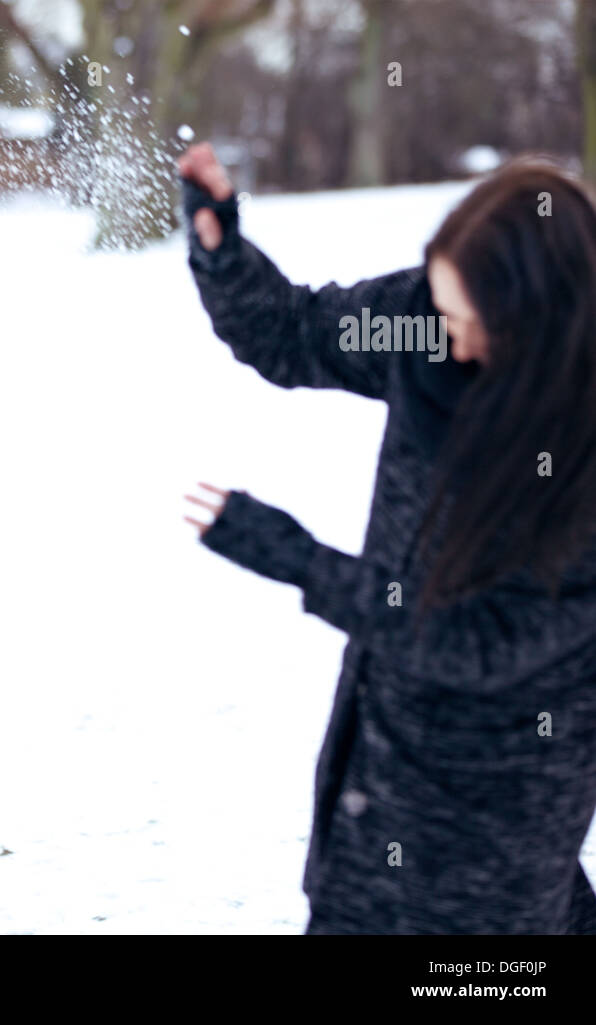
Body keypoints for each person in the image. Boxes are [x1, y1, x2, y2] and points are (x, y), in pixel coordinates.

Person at [177, 142, 596, 934]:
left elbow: (484, 644)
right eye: (440, 308)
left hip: (510, 801)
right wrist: (223, 250)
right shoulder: (425, 323)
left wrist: (302, 562)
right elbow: (294, 332)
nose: (448, 336)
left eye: (468, 322)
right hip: (384, 749)